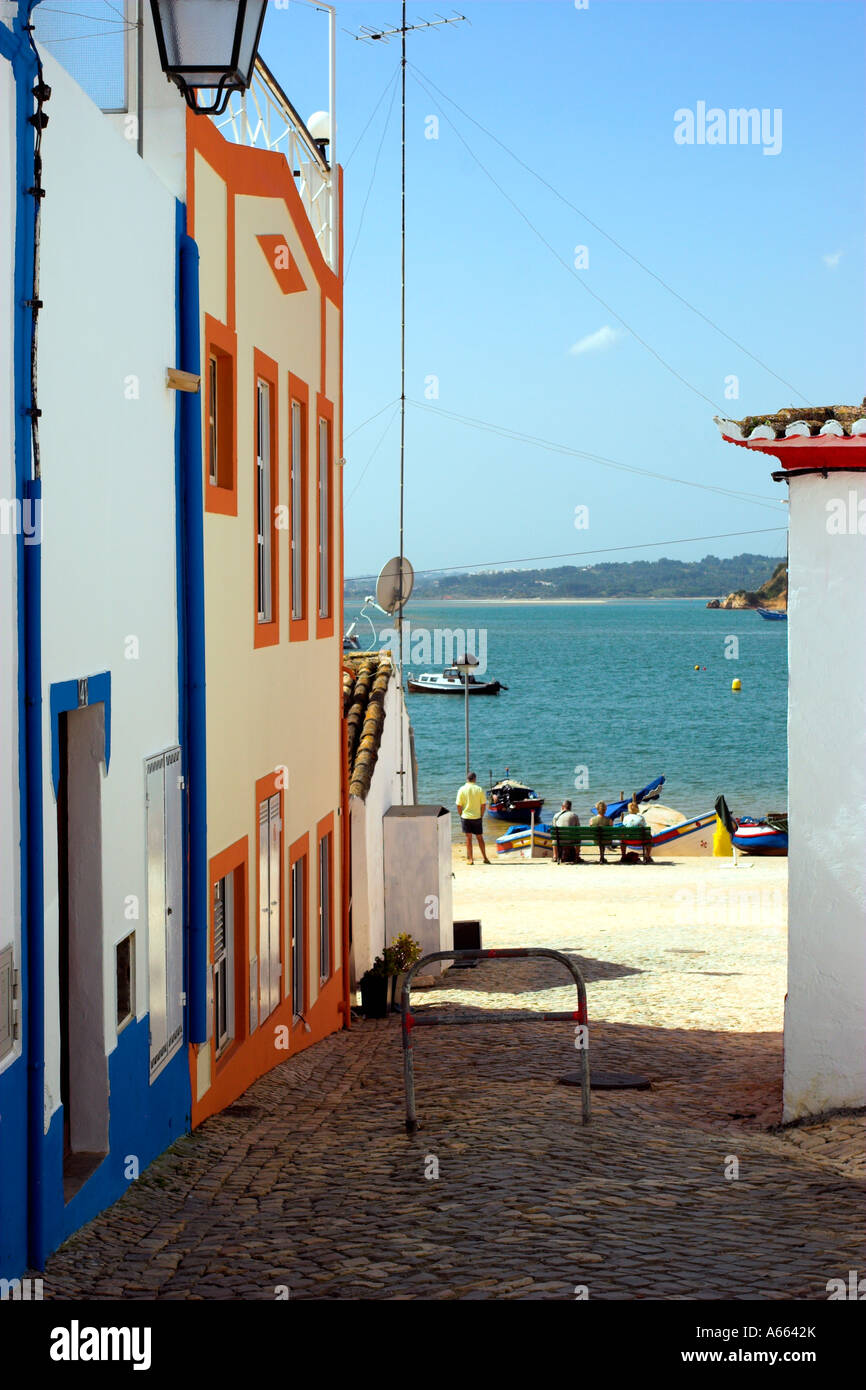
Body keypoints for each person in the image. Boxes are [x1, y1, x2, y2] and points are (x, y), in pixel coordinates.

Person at [456, 771, 490, 864]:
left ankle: (470, 859)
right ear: (474, 779)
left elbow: (458, 805)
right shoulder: (479, 789)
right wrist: (481, 814)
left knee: (468, 838)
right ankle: (485, 857)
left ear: (467, 779)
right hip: (477, 817)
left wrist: (461, 815)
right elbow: (483, 804)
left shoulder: (461, 789)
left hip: (466, 817)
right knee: (480, 838)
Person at [621, 798, 652, 863]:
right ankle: (647, 856)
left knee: (622, 838)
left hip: (628, 841)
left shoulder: (626, 818)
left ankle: (623, 856)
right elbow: (644, 828)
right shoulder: (641, 818)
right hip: (640, 840)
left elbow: (624, 828)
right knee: (650, 837)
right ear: (637, 809)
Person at [553, 799, 581, 863]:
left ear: (562, 807)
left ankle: (555, 856)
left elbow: (554, 829)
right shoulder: (574, 815)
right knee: (578, 837)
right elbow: (578, 830)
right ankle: (577, 856)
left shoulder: (556, 815)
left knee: (554, 836)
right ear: (570, 807)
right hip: (570, 840)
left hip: (558, 840)